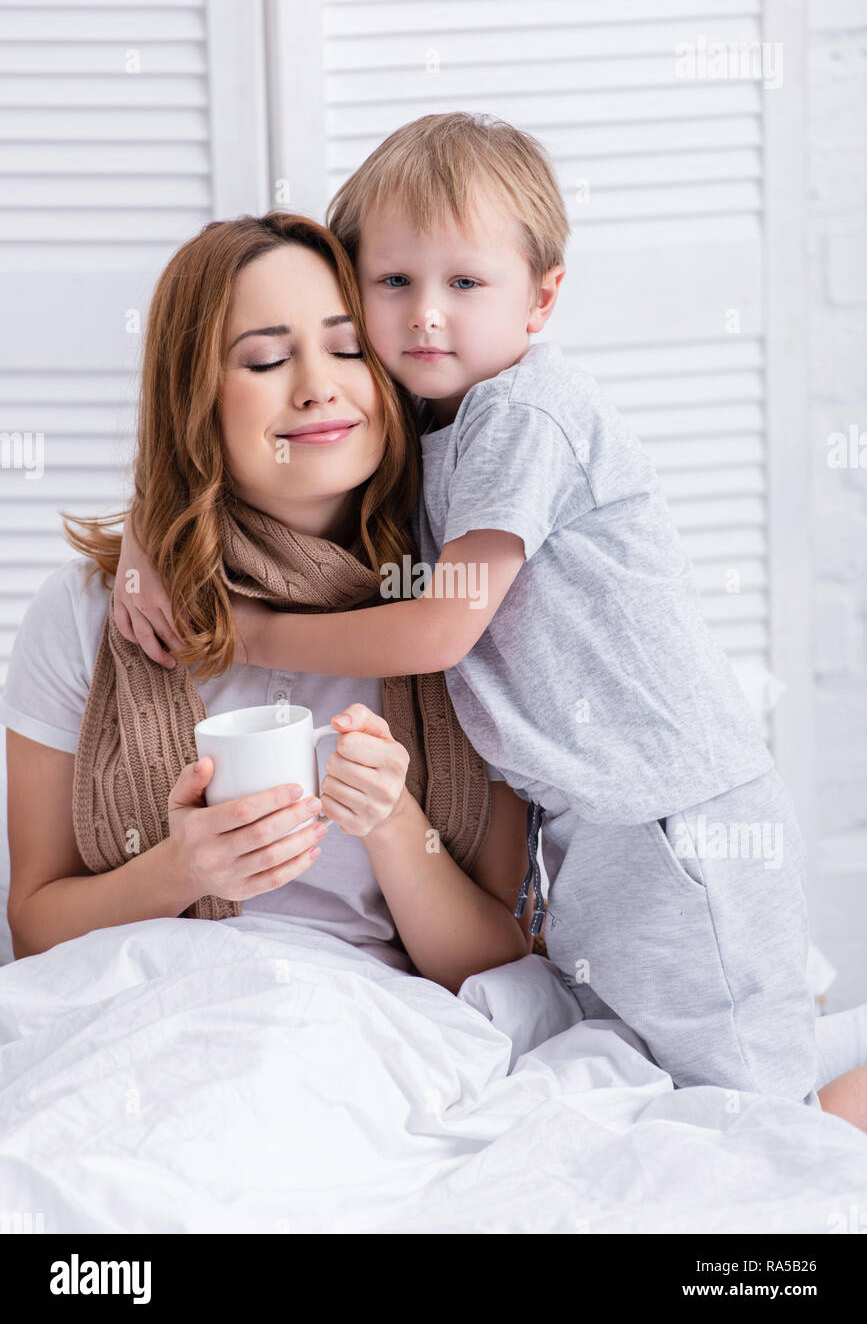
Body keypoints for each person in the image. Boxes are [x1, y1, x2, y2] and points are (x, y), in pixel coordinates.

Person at [113, 113, 865, 1125]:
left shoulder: (522, 411)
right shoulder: (431, 423)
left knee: (757, 1113)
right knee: (664, 1088)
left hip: (678, 819)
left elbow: (440, 628)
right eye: (393, 284)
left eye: (465, 284)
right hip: (595, 827)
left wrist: (245, 632)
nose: (426, 316)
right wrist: (144, 538)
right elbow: (224, 449)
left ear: (541, 295)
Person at [1, 213, 537, 1000]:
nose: (318, 384)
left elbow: (497, 962)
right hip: (148, 1012)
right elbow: (34, 927)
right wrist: (180, 869)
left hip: (372, 1027)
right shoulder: (93, 612)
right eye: (265, 360)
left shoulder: (458, 603)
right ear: (196, 397)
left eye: (349, 348)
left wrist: (391, 823)